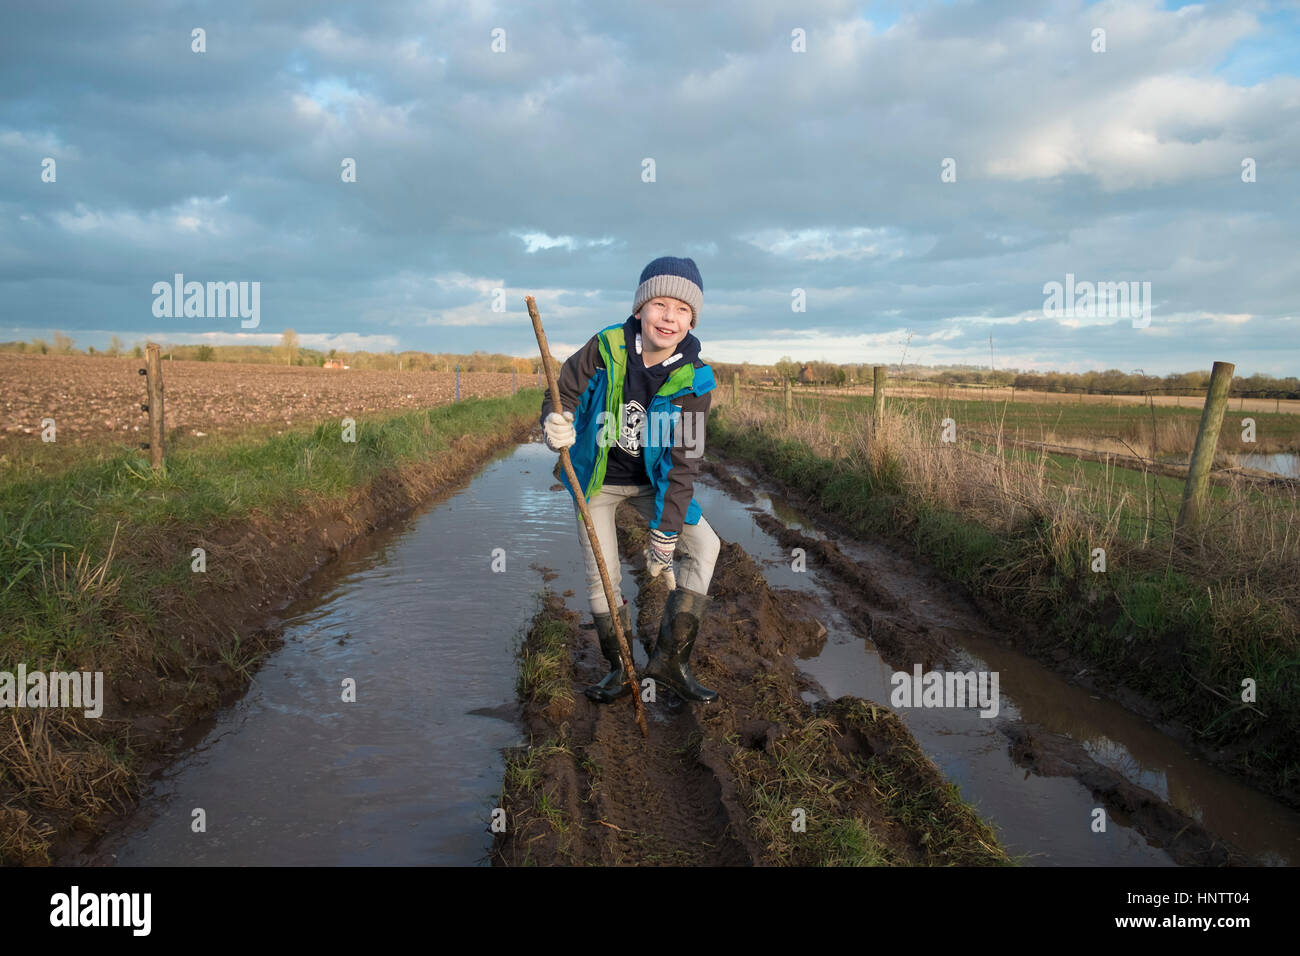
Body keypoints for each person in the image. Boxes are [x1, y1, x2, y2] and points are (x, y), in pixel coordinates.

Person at [540, 256, 722, 704]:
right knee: (603, 575)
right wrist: (554, 420)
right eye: (659, 304)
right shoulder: (605, 347)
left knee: (705, 546)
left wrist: (666, 531)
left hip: (652, 485)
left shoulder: (695, 381)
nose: (669, 317)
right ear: (640, 308)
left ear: (691, 319)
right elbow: (561, 390)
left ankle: (669, 664)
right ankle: (620, 669)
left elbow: (685, 462)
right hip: (595, 481)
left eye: (682, 310)